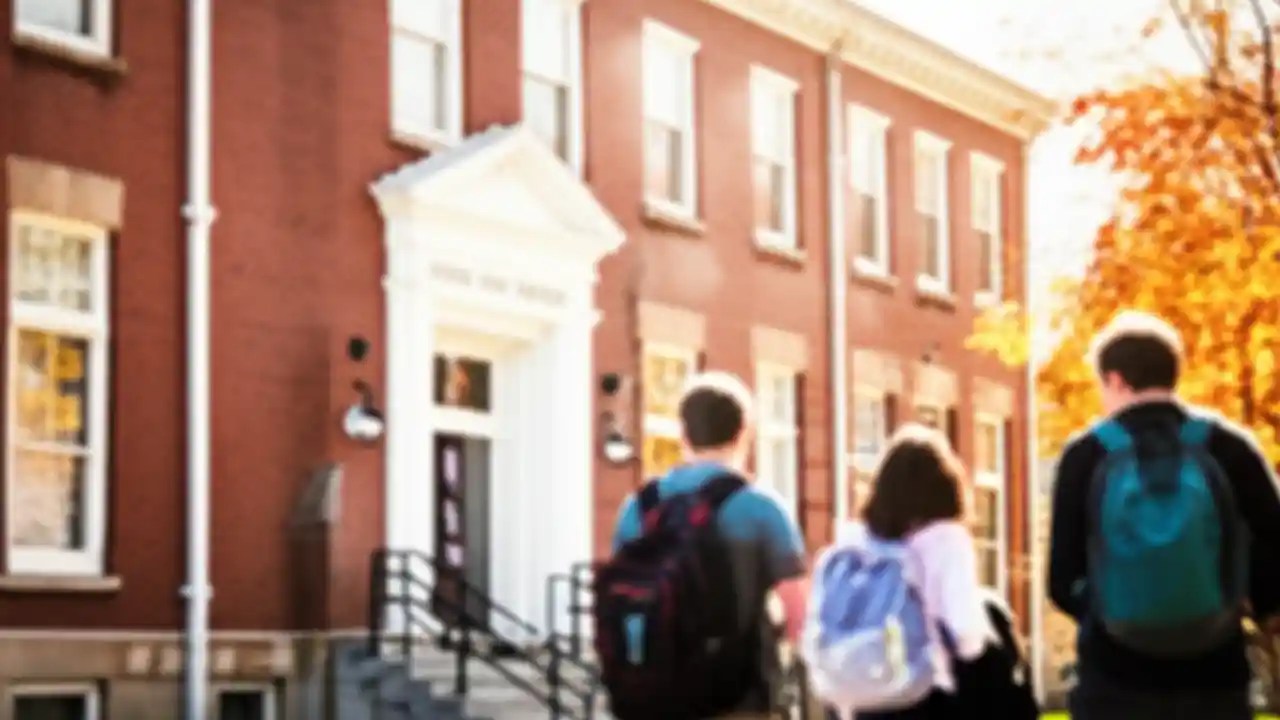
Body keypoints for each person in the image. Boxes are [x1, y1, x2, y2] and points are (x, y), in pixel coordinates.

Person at [1048, 310, 1280, 719]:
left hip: (1114, 676)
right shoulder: (1228, 447)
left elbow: (1061, 579)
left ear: (1115, 379)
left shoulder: (1085, 456)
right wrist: (1251, 606)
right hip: (1214, 675)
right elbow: (1274, 545)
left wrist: (1103, 611)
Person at [600, 371, 806, 720]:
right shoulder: (761, 508)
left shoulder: (639, 507)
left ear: (682, 435)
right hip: (737, 699)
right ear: (745, 434)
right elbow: (800, 613)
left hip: (652, 697)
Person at [806, 424, 1035, 719]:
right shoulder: (945, 541)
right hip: (926, 699)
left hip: (862, 703)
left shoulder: (849, 550)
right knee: (994, 616)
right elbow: (967, 635)